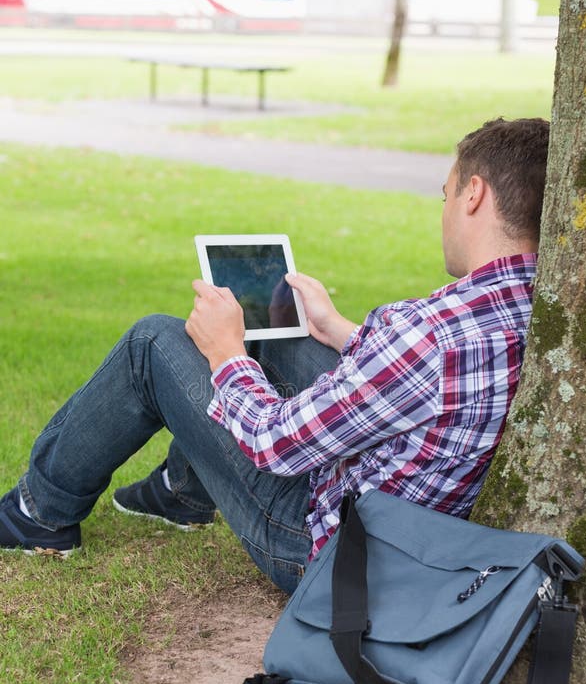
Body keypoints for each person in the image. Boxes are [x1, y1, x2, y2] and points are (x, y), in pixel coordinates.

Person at [0, 117, 549, 593]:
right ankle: (184, 493)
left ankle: (39, 512)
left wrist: (226, 354)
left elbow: (275, 445)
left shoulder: (428, 333)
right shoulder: (544, 309)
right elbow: (424, 385)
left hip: (328, 547)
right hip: (411, 522)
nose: (445, 209)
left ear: (474, 194)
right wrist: (334, 328)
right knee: (276, 328)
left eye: (446, 194)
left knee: (153, 343)